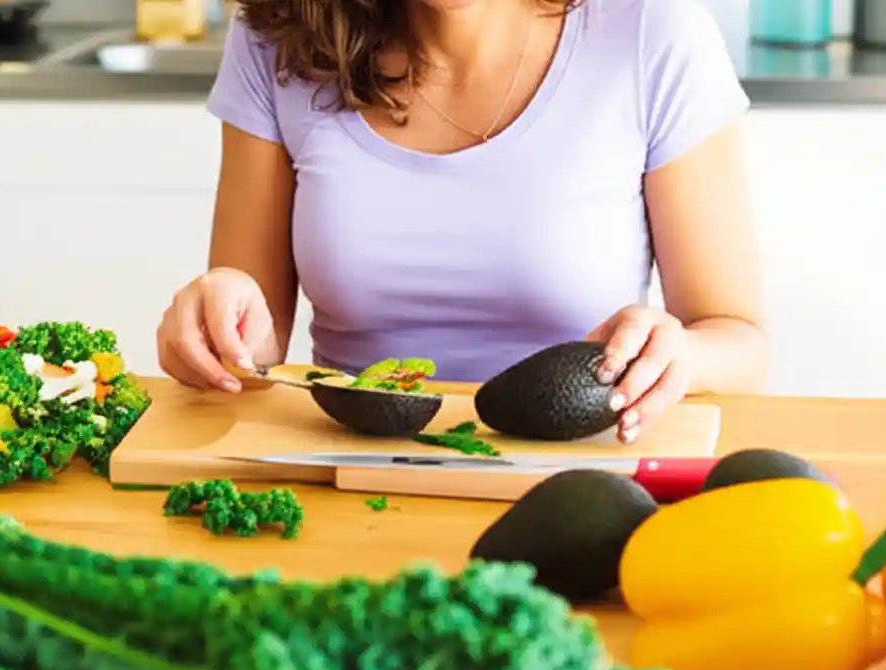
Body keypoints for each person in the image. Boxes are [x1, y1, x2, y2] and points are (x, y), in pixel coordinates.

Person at [157, 0, 767, 443]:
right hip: (350, 468)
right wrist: (221, 320)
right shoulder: (276, 35)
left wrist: (680, 352)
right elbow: (255, 356)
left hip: (574, 477)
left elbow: (739, 339)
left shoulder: (652, 36)